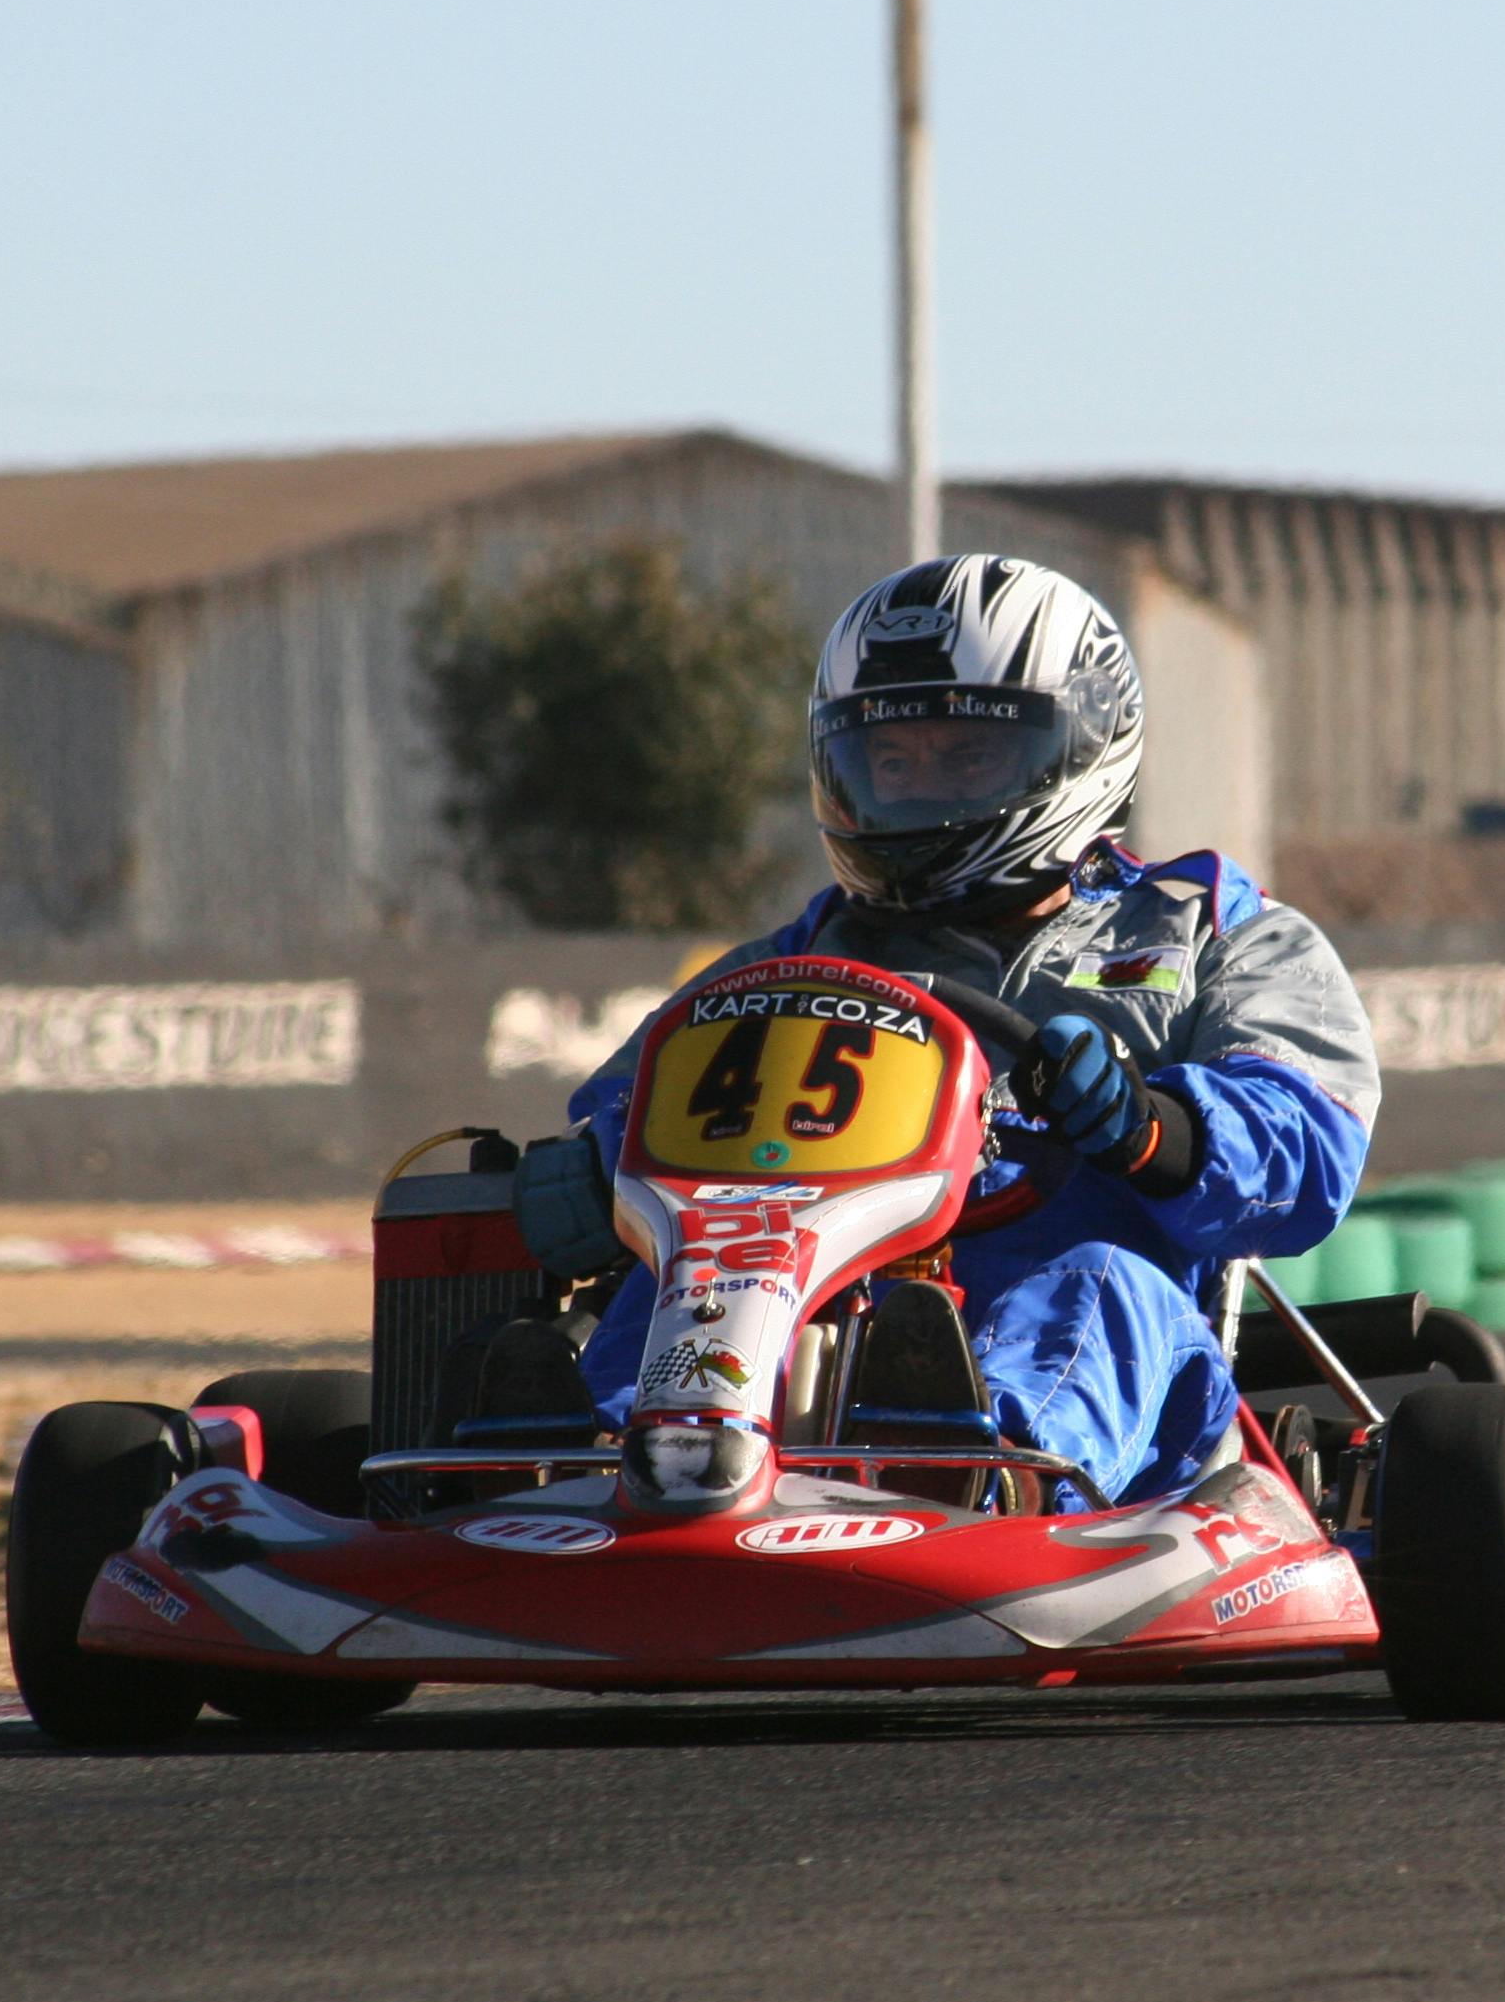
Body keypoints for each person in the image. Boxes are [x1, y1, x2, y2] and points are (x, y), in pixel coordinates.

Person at [512, 553, 1380, 1508]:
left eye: (965, 758)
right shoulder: (786, 964)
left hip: (1071, 1313)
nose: (921, 792)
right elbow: (635, 1103)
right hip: (795, 1302)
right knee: (690, 1278)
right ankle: (584, 1464)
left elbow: (1306, 1142)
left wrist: (1151, 1125)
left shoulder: (1208, 933)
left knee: (1098, 1284)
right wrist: (595, 1158)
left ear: (1080, 745)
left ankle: (981, 1468)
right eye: (892, 761)